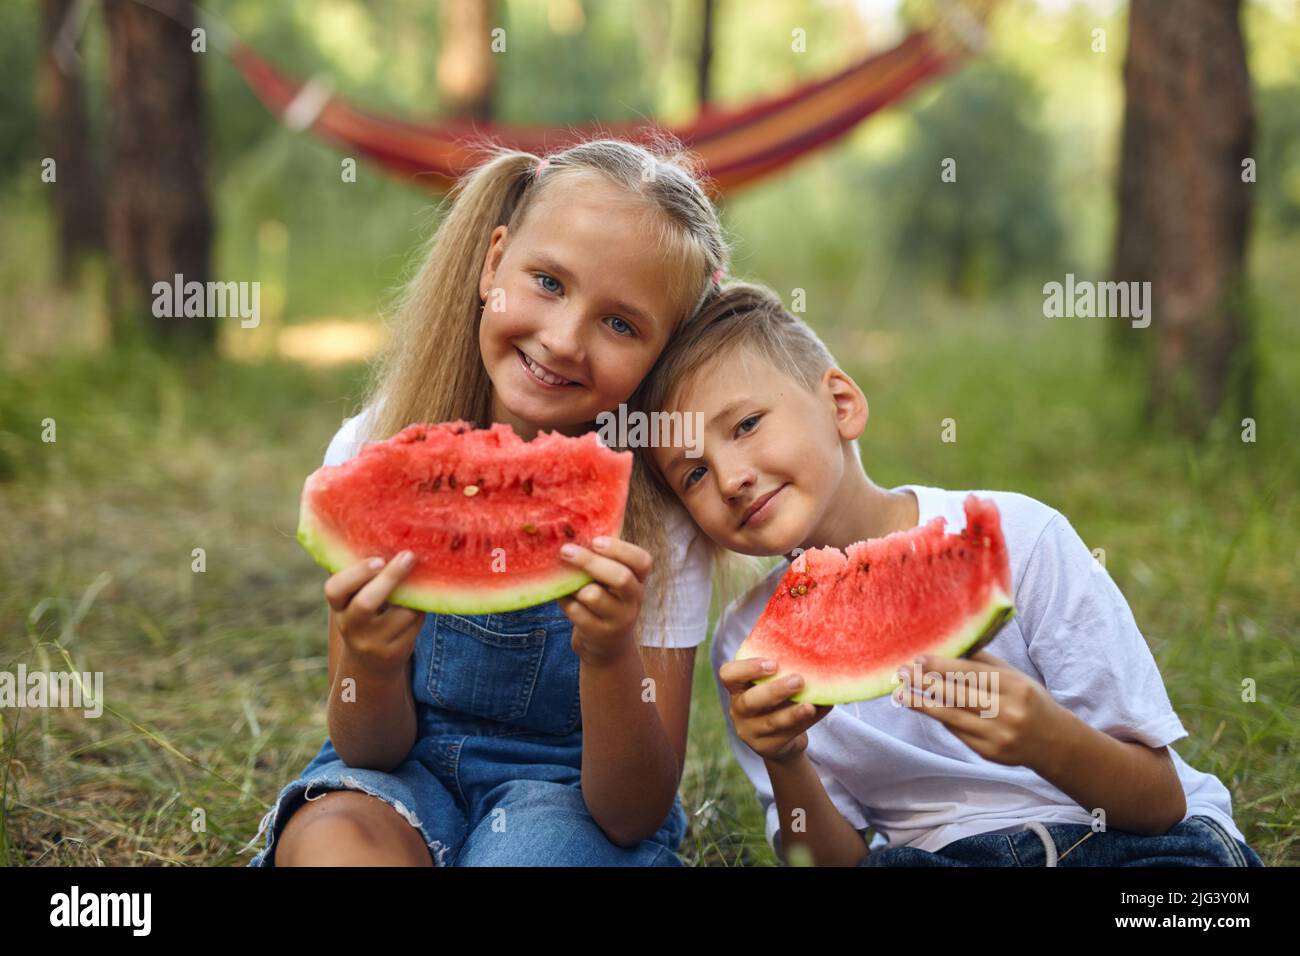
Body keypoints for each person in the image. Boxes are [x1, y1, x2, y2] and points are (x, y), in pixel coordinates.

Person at [641, 281, 1264, 867]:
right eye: (692, 473)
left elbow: (1159, 801)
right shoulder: (749, 648)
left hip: (1128, 844)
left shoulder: (1019, 539)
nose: (730, 478)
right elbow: (834, 860)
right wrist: (784, 757)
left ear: (841, 404)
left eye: (746, 425)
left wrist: (1044, 738)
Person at [245, 139, 728, 866]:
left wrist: (609, 654)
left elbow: (632, 811)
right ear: (493, 260)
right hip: (400, 776)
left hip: (568, 797)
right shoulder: (374, 447)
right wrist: (370, 665)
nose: (564, 340)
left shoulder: (661, 520)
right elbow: (364, 744)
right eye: (548, 281)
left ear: (665, 355)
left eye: (621, 324)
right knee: (330, 843)